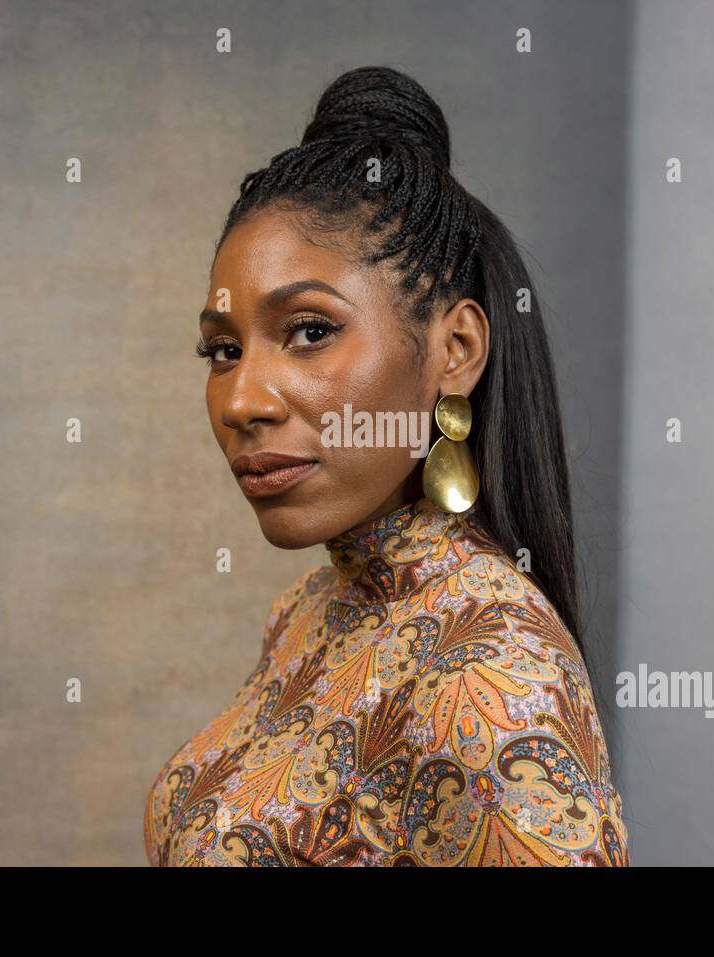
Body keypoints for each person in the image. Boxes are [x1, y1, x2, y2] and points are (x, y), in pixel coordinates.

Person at [144, 65, 629, 866]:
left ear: (456, 350)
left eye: (307, 330)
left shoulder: (492, 672)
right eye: (222, 350)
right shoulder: (305, 613)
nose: (241, 400)